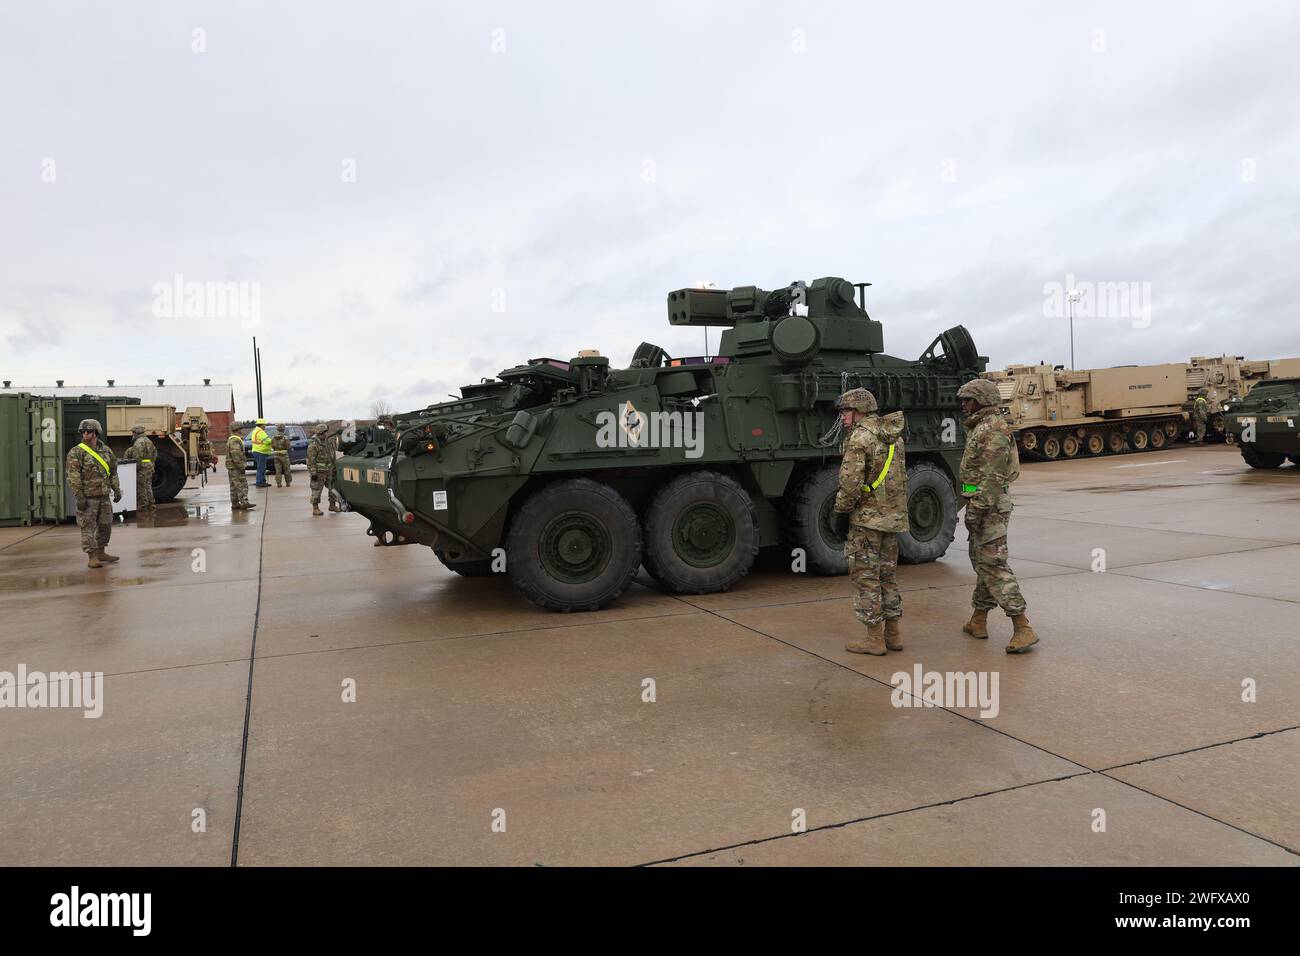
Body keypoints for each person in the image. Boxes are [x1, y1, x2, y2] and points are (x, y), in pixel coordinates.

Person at [957, 379, 1037, 653]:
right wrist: (968, 497)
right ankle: (978, 620)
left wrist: (976, 508)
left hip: (989, 506)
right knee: (983, 562)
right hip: (981, 502)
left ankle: (1022, 626)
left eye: (968, 399)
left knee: (993, 565)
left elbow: (991, 478)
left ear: (981, 400)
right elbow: (972, 476)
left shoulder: (992, 429)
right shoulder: (979, 427)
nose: (963, 405)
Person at [830, 388, 909, 655]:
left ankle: (874, 639)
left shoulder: (859, 439)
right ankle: (894, 634)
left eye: (845, 411)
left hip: (866, 521)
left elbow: (851, 484)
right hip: (892, 519)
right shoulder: (893, 438)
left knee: (866, 578)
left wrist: (841, 513)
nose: (842, 417)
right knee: (888, 577)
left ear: (859, 411)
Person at [65, 419, 122, 568]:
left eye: (89, 431)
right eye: (83, 432)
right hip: (88, 498)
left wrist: (116, 489)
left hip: (104, 496)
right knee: (88, 528)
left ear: (96, 432)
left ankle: (101, 552)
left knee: (105, 526)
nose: (85, 434)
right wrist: (79, 497)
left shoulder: (106, 451)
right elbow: (73, 476)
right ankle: (92, 557)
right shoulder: (76, 452)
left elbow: (113, 472)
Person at [120, 423, 157, 514]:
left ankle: (143, 506)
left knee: (141, 487)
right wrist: (151, 464)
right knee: (148, 486)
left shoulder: (138, 442)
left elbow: (137, 457)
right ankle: (151, 504)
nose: (132, 434)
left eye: (133, 433)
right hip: (149, 466)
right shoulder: (149, 441)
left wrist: (134, 469)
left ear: (136, 433)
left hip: (142, 468)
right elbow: (155, 454)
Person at [307, 424, 341, 516]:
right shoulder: (313, 445)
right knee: (317, 490)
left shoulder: (328, 442)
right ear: (321, 433)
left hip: (329, 470)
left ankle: (332, 505)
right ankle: (315, 508)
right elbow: (311, 460)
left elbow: (332, 455)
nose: (327, 433)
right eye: (325, 432)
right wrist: (313, 472)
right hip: (319, 472)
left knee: (333, 488)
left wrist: (334, 467)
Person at [226, 424, 257, 511]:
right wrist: (241, 466)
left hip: (231, 466)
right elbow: (236, 454)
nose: (242, 430)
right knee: (241, 484)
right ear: (238, 429)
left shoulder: (232, 439)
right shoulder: (235, 440)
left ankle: (235, 503)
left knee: (234, 485)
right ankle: (244, 502)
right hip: (236, 467)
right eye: (241, 429)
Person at [249, 418, 272, 487]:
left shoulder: (255, 431)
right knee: (261, 468)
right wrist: (273, 440)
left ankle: (262, 481)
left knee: (261, 467)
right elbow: (267, 441)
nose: (265, 426)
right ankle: (259, 482)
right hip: (260, 452)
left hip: (257, 451)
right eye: (264, 425)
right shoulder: (261, 432)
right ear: (261, 425)